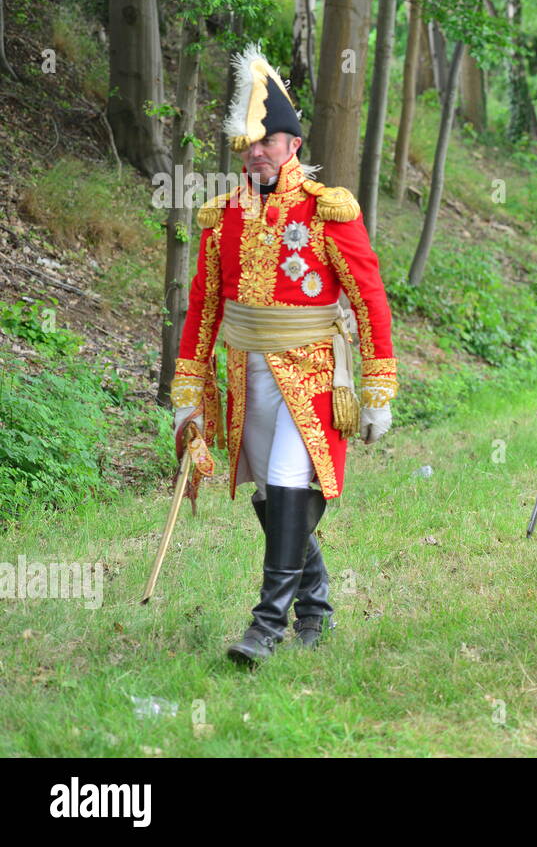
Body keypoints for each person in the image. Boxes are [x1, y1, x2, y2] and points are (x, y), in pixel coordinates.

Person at [171, 46, 397, 665]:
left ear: (292, 144)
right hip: (246, 374)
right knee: (271, 497)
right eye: (247, 144)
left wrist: (378, 387)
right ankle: (316, 602)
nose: (254, 153)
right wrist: (188, 389)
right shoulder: (220, 217)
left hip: (315, 373)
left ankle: (266, 626)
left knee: (293, 481)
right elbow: (203, 307)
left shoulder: (329, 209)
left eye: (266, 141)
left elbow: (371, 299)